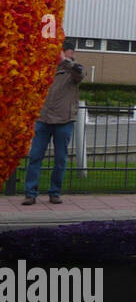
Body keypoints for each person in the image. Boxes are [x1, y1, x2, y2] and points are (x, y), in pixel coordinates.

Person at [22, 45, 84, 205]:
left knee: (60, 159)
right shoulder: (45, 69)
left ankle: (55, 193)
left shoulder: (74, 70)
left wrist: (65, 61)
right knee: (35, 156)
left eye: (67, 51)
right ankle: (30, 193)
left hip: (64, 121)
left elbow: (80, 74)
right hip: (43, 120)